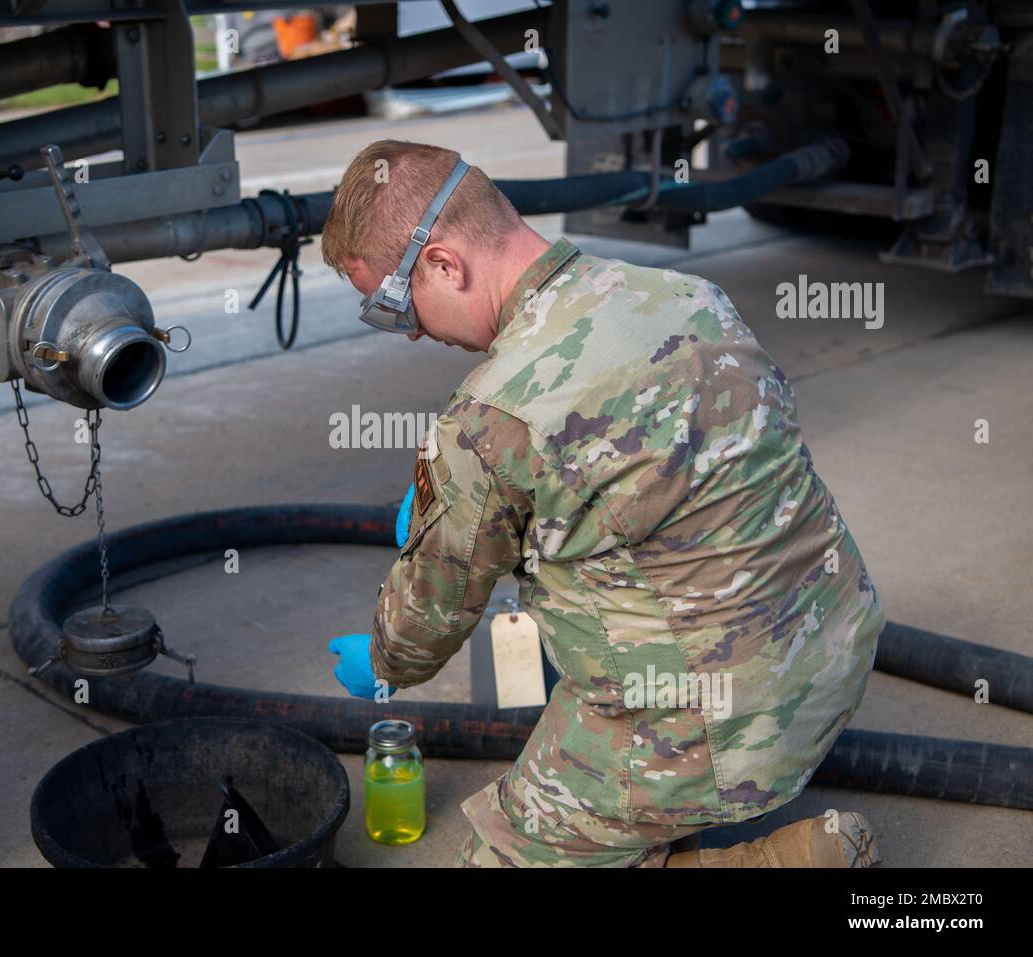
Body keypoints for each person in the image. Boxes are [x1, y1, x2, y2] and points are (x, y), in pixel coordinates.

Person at [323, 140, 884, 868]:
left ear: (442, 264)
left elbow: (423, 624)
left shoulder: (491, 419)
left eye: (397, 308)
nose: (415, 333)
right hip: (835, 652)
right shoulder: (686, 295)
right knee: (575, 586)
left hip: (723, 731)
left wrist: (383, 656)